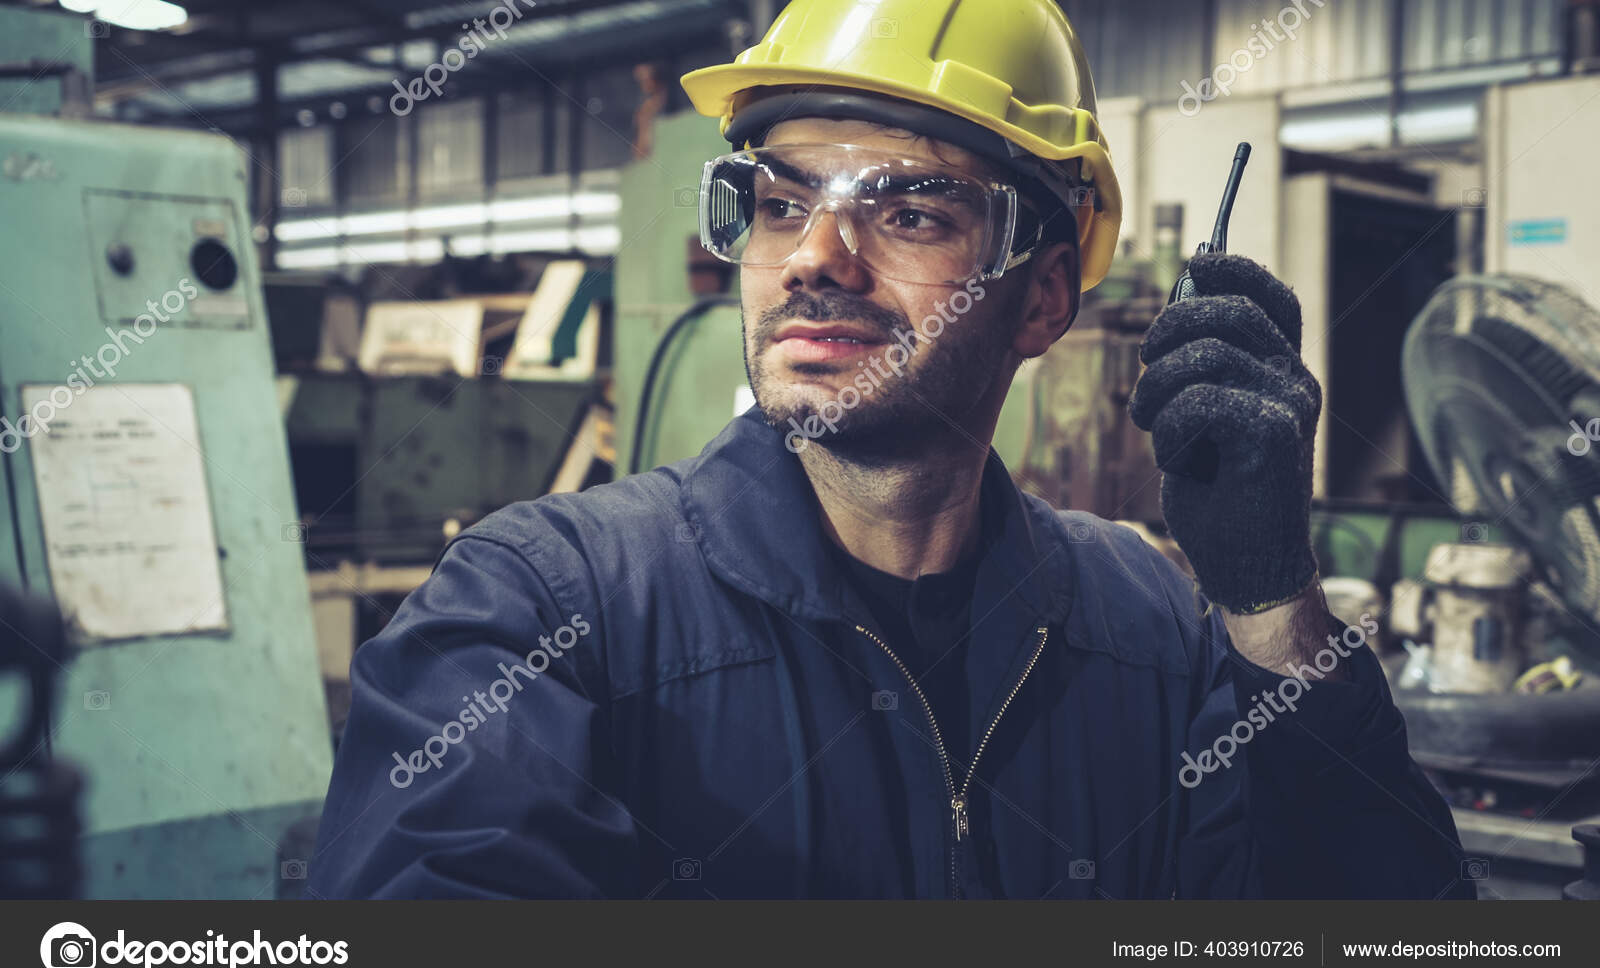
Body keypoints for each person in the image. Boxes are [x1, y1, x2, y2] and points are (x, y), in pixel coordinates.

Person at [310, 0, 1469, 899]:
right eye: (779, 202)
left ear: (1042, 299)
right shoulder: (543, 610)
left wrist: (1272, 608)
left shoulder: (1151, 631)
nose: (815, 256)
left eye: (908, 210)